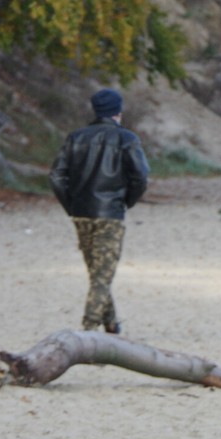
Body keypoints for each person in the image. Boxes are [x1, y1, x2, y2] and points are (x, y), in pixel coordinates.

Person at [49, 88, 149, 335]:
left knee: (97, 272)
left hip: (81, 213)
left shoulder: (76, 137)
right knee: (102, 276)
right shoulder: (127, 139)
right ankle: (89, 328)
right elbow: (141, 177)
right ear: (118, 111)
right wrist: (126, 201)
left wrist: (71, 205)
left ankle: (112, 323)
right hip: (110, 214)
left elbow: (57, 176)